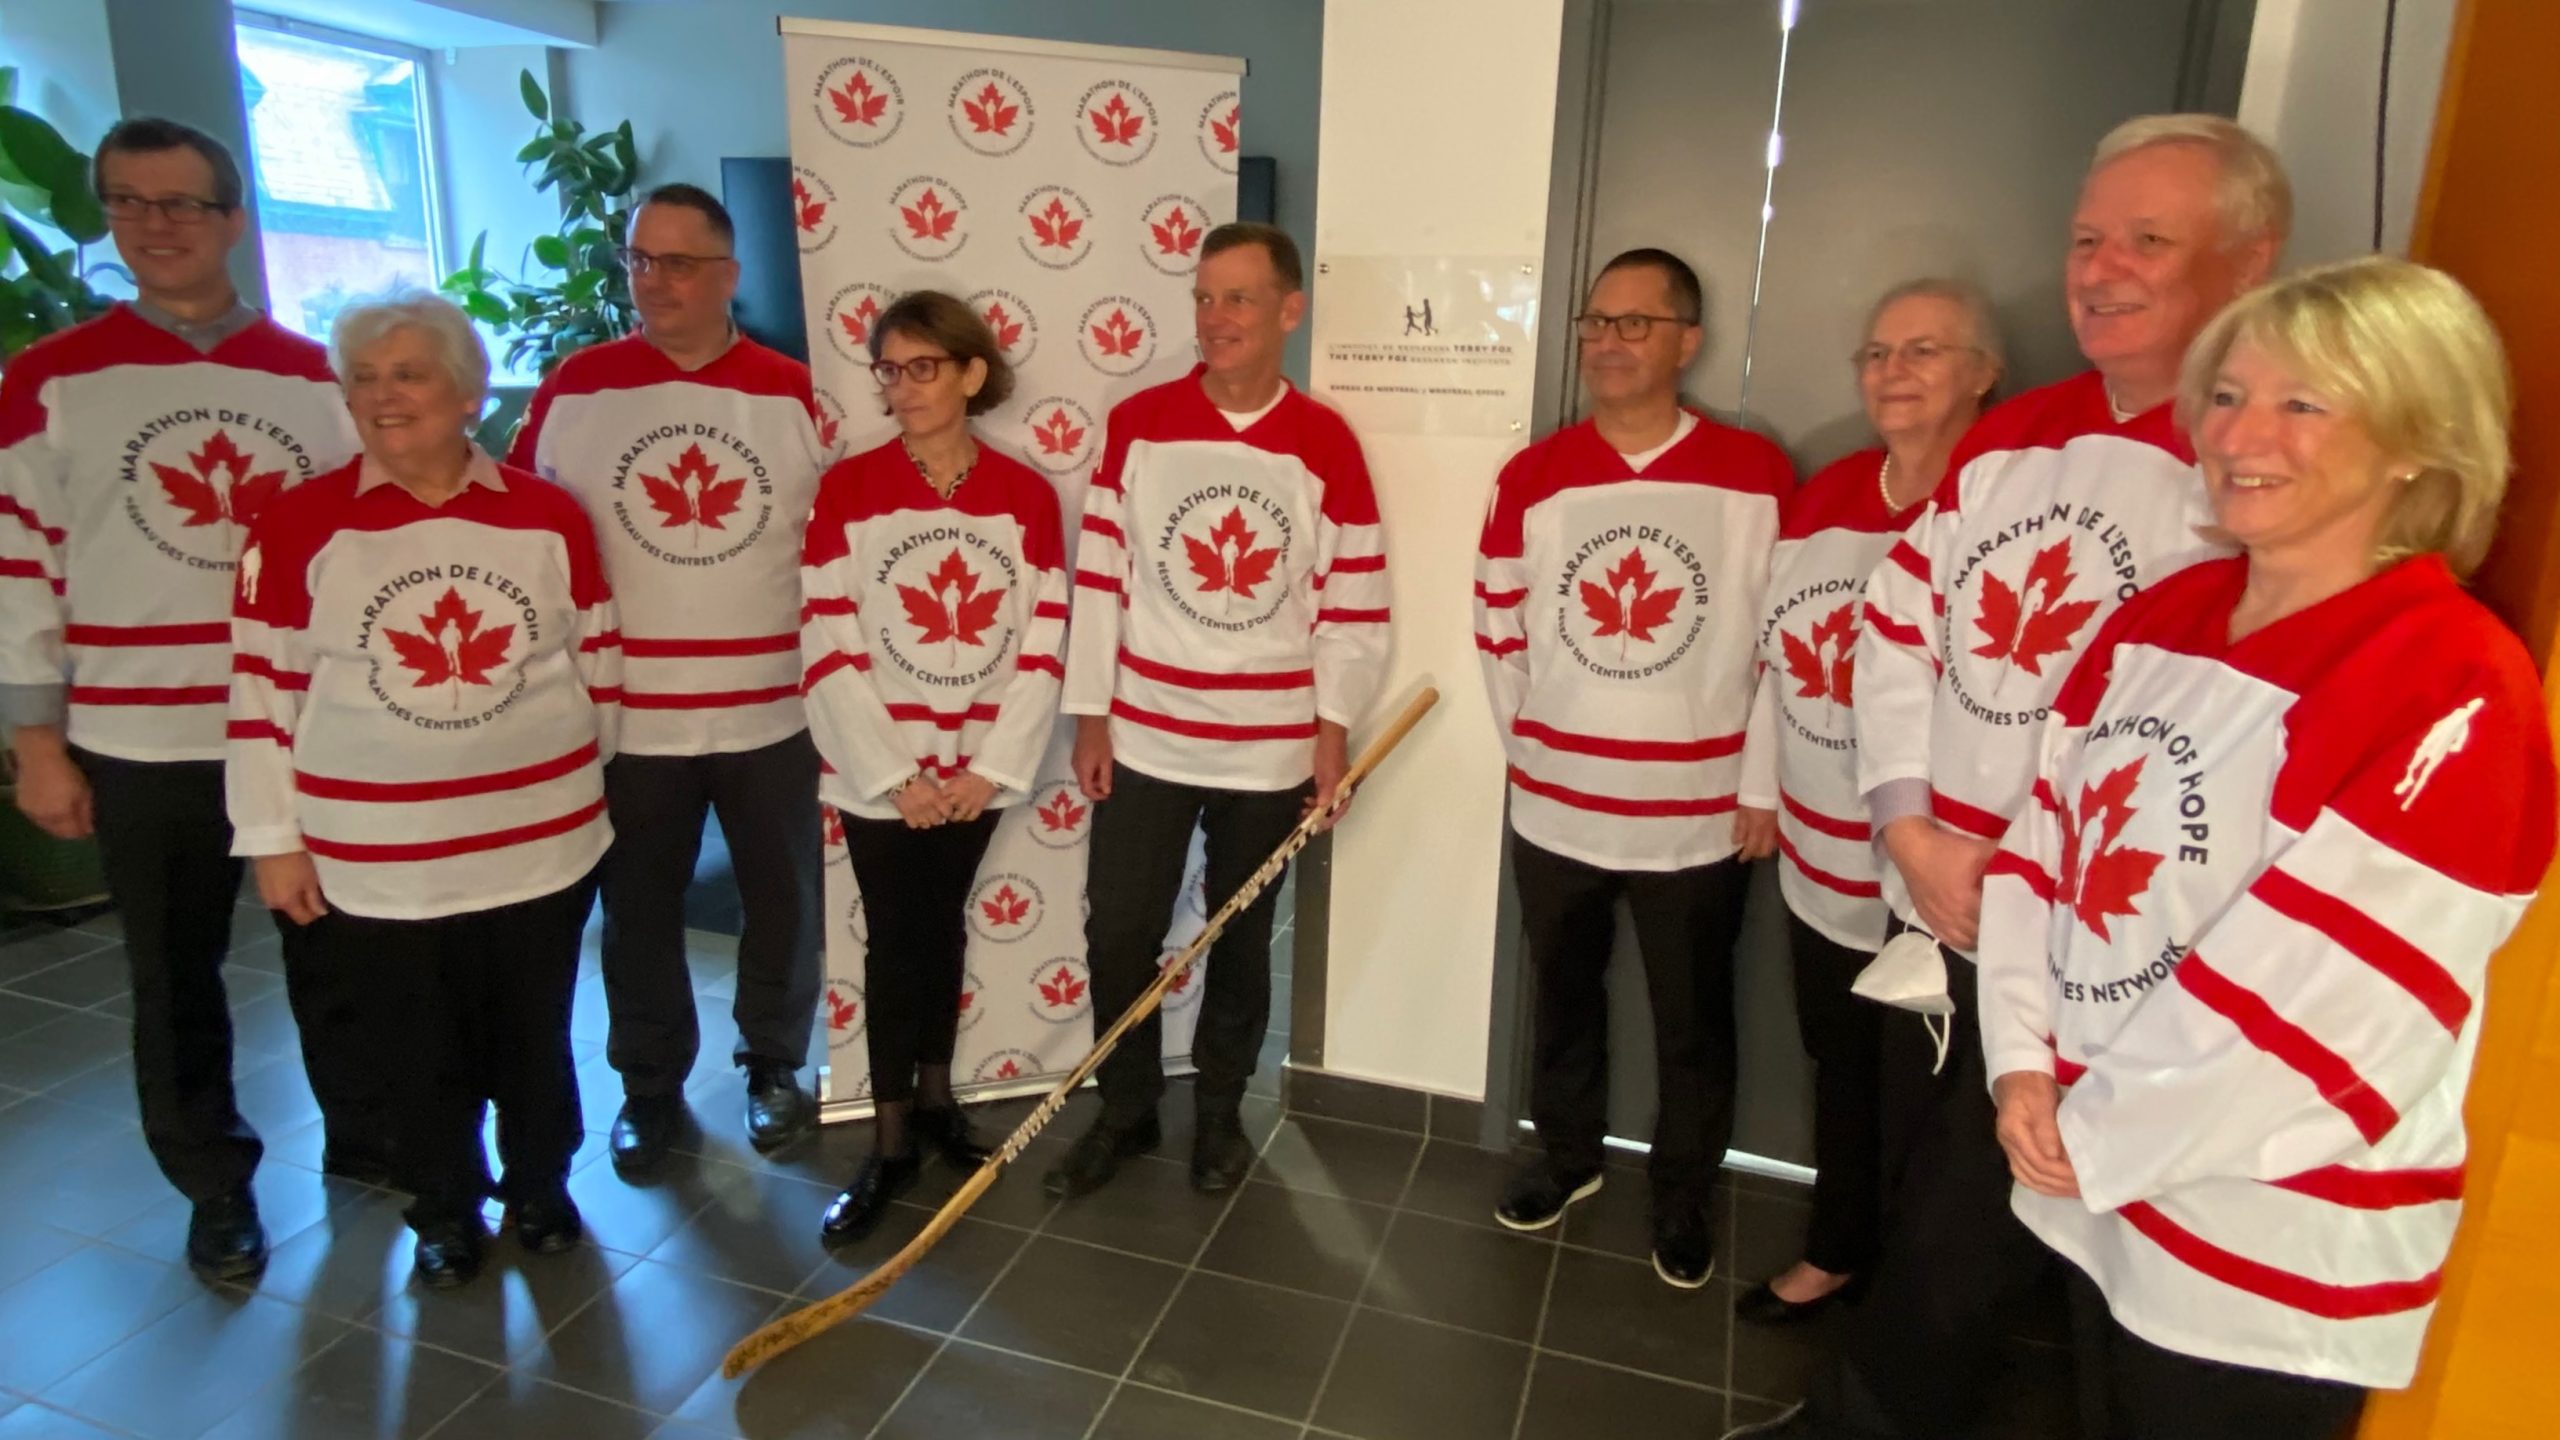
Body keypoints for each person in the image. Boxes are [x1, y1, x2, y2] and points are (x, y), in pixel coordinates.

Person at [1727, 114, 2290, 1439]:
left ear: (2250, 258)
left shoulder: (2260, 463)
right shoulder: (2014, 441)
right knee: (1939, 1189)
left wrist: (2047, 885)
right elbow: (1896, 630)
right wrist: (1906, 825)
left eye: (2146, 240)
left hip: (2110, 932)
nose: (2101, 268)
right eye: (2087, 239)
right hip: (1947, 898)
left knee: (2049, 1224)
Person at [1977, 257, 2553, 1439]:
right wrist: (2018, 1062)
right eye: (2229, 396)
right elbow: (2044, 856)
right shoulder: (2161, 616)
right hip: (2090, 1174)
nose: (2240, 436)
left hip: (2263, 1249)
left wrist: (2092, 1132)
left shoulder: (2451, 680)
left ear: (2417, 442)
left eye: (2303, 404)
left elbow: (2333, 1007)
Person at [0, 118, 379, 1283]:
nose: (154, 224)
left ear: (232, 219)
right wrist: (35, 740)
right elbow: (18, 564)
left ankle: (370, 1140)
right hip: (140, 732)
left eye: (181, 203)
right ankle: (214, 1184)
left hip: (305, 733)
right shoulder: (50, 379)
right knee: (174, 977)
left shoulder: (317, 379)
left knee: (340, 956)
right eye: (129, 201)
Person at [229, 293, 622, 1288]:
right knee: (413, 1041)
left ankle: (540, 1183)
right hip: (377, 857)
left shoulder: (546, 514)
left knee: (533, 1031)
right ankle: (443, 1204)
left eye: (408, 374)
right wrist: (273, 837)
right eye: (363, 377)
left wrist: (568, 775)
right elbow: (261, 695)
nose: (383, 396)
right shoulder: (299, 523)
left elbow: (601, 665)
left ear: (468, 392)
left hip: (539, 842)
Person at [1050, 222, 1390, 1198]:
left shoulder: (1325, 442)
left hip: (1270, 750)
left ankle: (1220, 1113)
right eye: (1203, 297)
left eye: (1238, 297)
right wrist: (1091, 715)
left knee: (1242, 939)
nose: (1215, 317)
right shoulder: (1140, 423)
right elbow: (1101, 576)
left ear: (1290, 310)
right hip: (1147, 733)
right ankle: (1125, 1108)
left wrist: (1332, 734)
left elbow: (1354, 601)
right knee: (1120, 932)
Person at [1476, 248, 1793, 1288]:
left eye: (1635, 323)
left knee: (1693, 1021)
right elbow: (1496, 621)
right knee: (1563, 999)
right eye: (1596, 322)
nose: (1608, 342)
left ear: (1686, 340)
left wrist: (1760, 783)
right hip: (1558, 805)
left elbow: (1785, 642)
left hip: (1698, 815)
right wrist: (1530, 745)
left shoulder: (1754, 474)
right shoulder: (1533, 475)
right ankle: (1566, 1158)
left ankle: (1683, 1195)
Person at [508, 183, 833, 1173]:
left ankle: (774, 1065)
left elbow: (836, 543)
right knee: (638, 910)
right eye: (639, 260)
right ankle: (649, 1086)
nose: (653, 281)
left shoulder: (793, 393)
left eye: (678, 263)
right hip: (630, 717)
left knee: (783, 902)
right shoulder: (577, 388)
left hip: (771, 707)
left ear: (729, 274)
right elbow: (519, 522)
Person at [1731, 279, 2003, 1324]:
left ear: (1983, 373)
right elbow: (1777, 658)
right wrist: (1761, 788)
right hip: (1817, 852)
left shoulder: (2002, 502)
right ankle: (1839, 1249)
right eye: (1877, 353)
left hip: (1939, 875)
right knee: (1839, 1067)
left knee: (1934, 1101)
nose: (1893, 372)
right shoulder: (1827, 494)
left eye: (1924, 351)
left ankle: (1919, 1302)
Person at [802, 291, 1065, 1243]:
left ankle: (938, 1099)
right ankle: (889, 1141)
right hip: (885, 775)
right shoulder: (848, 489)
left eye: (923, 367)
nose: (903, 387)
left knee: (940, 927)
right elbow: (825, 637)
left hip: (973, 773)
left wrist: (990, 771)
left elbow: (1045, 641)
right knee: (894, 942)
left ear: (971, 373)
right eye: (890, 369)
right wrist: (891, 777)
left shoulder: (1026, 495)